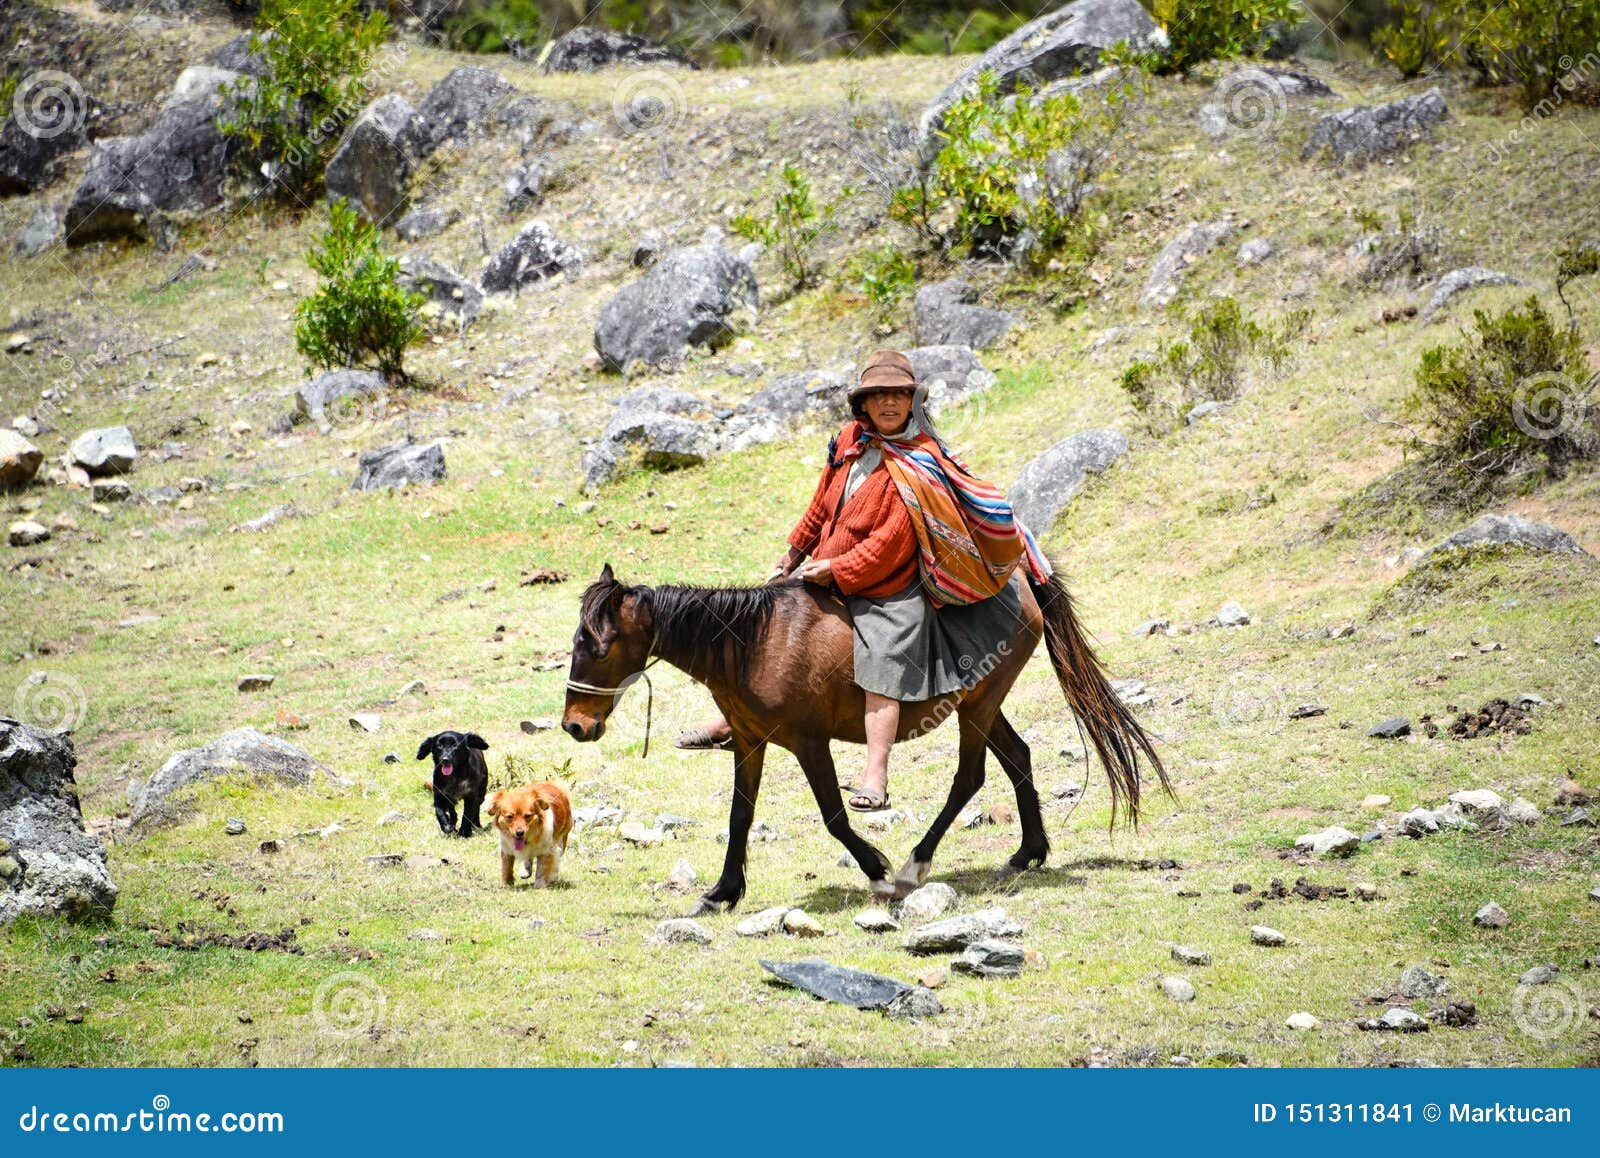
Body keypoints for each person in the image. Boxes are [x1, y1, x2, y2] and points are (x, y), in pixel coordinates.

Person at [676, 349, 1030, 813]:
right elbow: (821, 504)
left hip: (889, 586)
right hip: (824, 568)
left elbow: (893, 542)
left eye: (898, 395)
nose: (888, 404)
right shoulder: (849, 441)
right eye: (878, 395)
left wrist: (838, 571)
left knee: (882, 659)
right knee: (759, 627)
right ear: (862, 403)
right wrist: (794, 555)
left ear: (912, 400)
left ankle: (875, 773)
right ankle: (732, 718)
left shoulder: (921, 458)